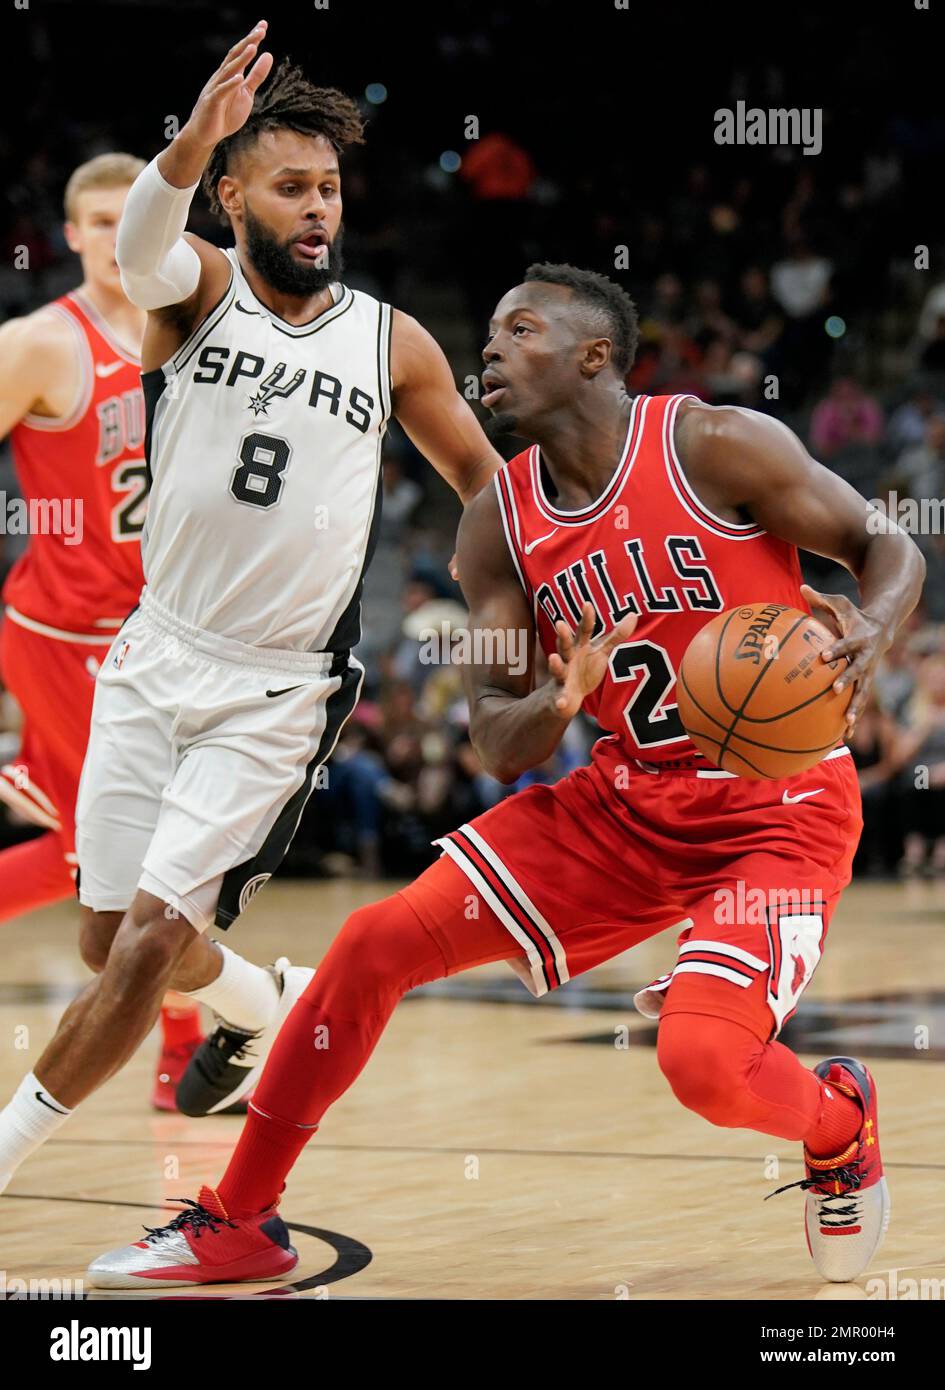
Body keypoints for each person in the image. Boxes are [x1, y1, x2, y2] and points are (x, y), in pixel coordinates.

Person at [88, 263, 924, 1291]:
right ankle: (241, 1216)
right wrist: (558, 700)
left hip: (778, 808)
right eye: (486, 332)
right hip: (622, 803)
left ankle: (838, 1119)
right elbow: (496, 738)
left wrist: (874, 628)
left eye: (519, 329)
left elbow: (883, 544)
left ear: (594, 356)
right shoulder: (498, 524)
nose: (488, 348)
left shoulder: (712, 444)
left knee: (703, 1062)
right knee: (371, 940)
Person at [0, 21, 501, 1191]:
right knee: (101, 933)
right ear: (234, 198)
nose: (318, 206)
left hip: (275, 687)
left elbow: (482, 481)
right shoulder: (196, 292)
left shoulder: (393, 342)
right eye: (290, 185)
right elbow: (139, 245)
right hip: (150, 651)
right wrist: (184, 147)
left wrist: (519, 605)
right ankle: (261, 1000)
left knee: (141, 950)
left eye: (329, 187)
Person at [0, 152, 211, 1111]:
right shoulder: (42, 343)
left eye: (125, 216)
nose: (106, 234)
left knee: (79, 857)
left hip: (160, 630)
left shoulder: (202, 327)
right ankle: (181, 1058)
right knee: (145, 849)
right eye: (89, 219)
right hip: (66, 633)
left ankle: (181, 1049)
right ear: (71, 234)